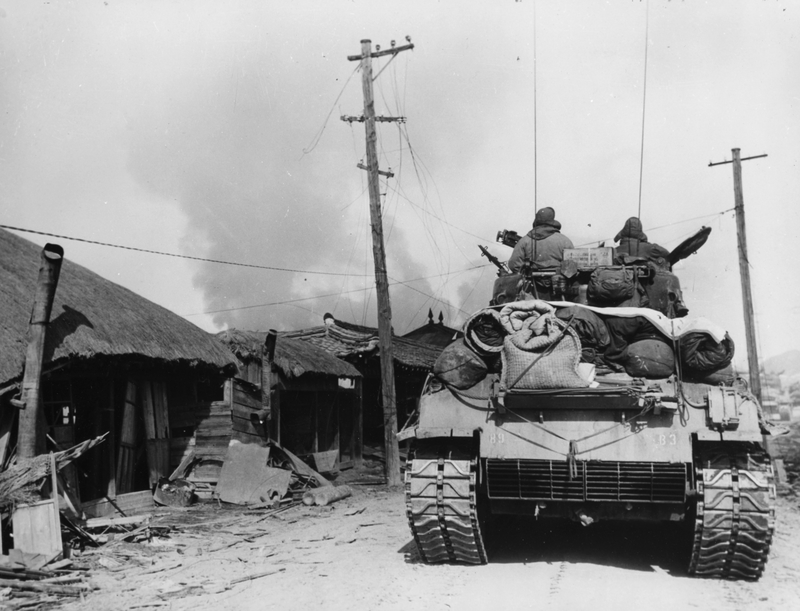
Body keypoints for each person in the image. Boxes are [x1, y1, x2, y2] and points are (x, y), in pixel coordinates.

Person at [508, 207, 573, 273]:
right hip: (559, 278)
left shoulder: (524, 241)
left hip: (531, 278)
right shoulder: (565, 240)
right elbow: (572, 266)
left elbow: (514, 265)